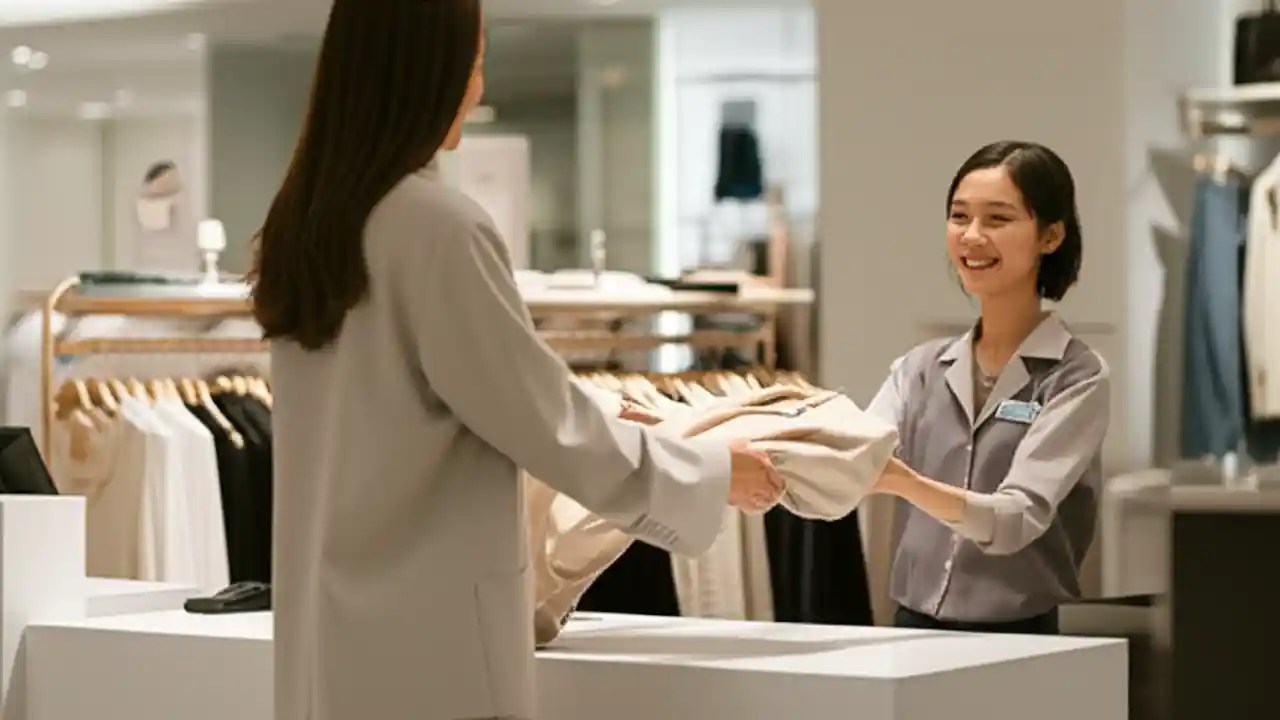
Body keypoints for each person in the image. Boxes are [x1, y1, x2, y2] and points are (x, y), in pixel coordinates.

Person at [248, 2, 783, 719]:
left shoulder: (307, 225)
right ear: (427, 74)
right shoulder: (439, 226)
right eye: (472, 63)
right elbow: (542, 421)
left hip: (332, 622)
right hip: (430, 631)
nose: (478, 86)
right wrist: (712, 472)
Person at [865, 140, 1111, 635]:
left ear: (1051, 235)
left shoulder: (1077, 376)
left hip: (1019, 636)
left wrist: (901, 481)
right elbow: (856, 448)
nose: (972, 236)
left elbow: (1015, 519)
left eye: (997, 219)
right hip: (910, 627)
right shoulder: (920, 368)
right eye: (959, 217)